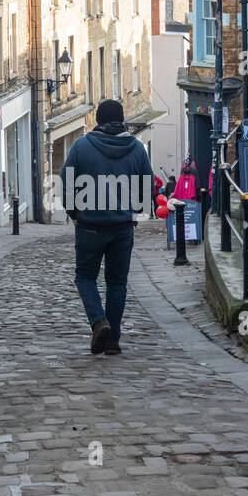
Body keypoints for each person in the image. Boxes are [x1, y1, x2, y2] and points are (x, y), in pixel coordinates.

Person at [63, 99, 154, 356]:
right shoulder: (136, 148)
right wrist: (134, 209)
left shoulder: (81, 146)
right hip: (122, 226)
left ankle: (98, 320)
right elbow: (147, 185)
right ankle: (112, 340)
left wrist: (74, 212)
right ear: (122, 119)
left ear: (98, 120)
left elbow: (66, 180)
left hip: (90, 225)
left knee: (84, 277)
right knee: (117, 283)